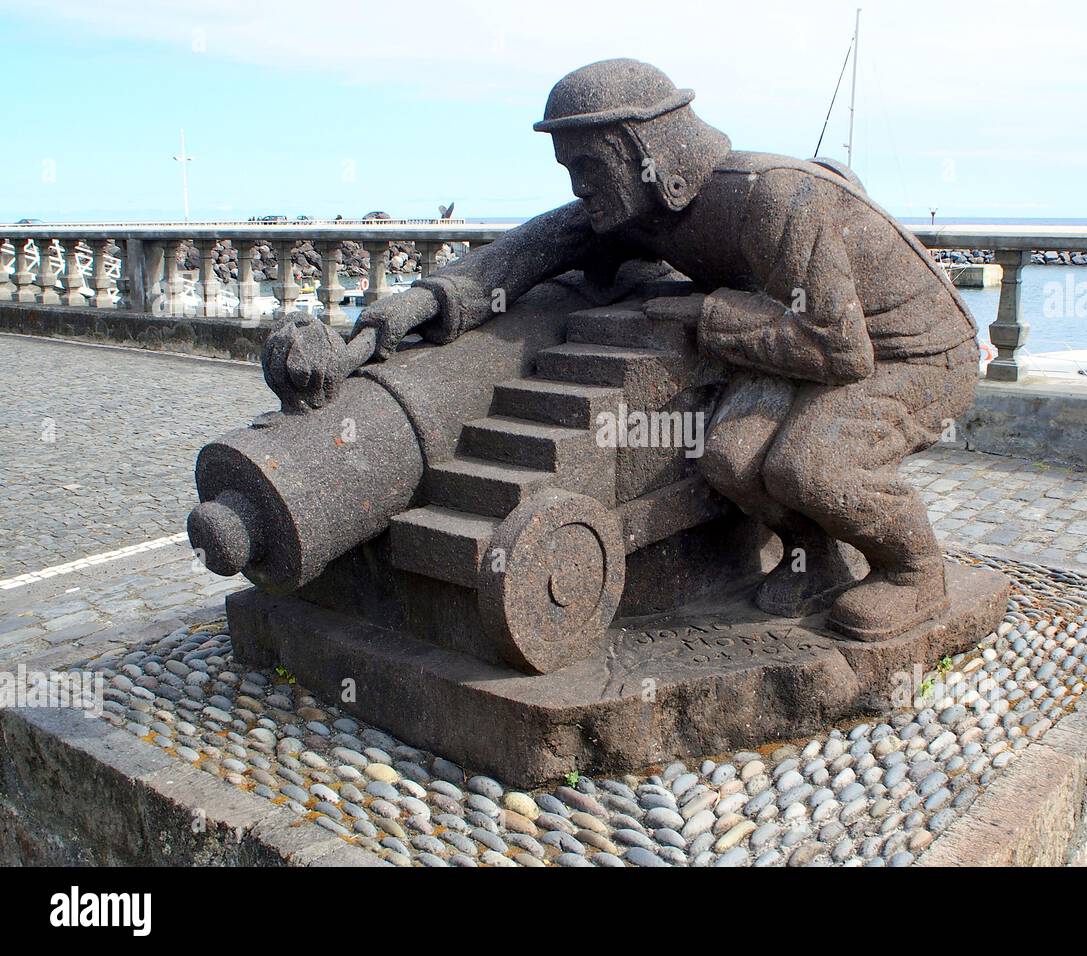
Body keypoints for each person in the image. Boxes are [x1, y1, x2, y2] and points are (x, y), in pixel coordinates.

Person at [268, 59, 979, 641]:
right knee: (730, 459)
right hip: (794, 344)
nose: (580, 190)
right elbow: (527, 253)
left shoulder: (774, 198)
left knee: (809, 464)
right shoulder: (642, 210)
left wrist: (708, 312)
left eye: (588, 168)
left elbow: (841, 348)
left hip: (912, 356)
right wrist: (416, 306)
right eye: (570, 170)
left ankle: (914, 571)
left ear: (643, 151)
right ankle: (814, 555)